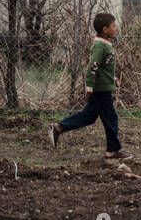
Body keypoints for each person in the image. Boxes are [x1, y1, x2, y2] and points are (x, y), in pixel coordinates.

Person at [48, 12, 132, 159]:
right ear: (105, 29)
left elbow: (102, 67)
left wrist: (112, 78)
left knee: (88, 116)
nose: (116, 28)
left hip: (103, 87)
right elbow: (92, 66)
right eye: (113, 26)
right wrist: (89, 86)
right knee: (111, 118)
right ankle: (112, 151)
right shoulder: (100, 46)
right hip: (100, 90)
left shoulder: (104, 44)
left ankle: (59, 127)